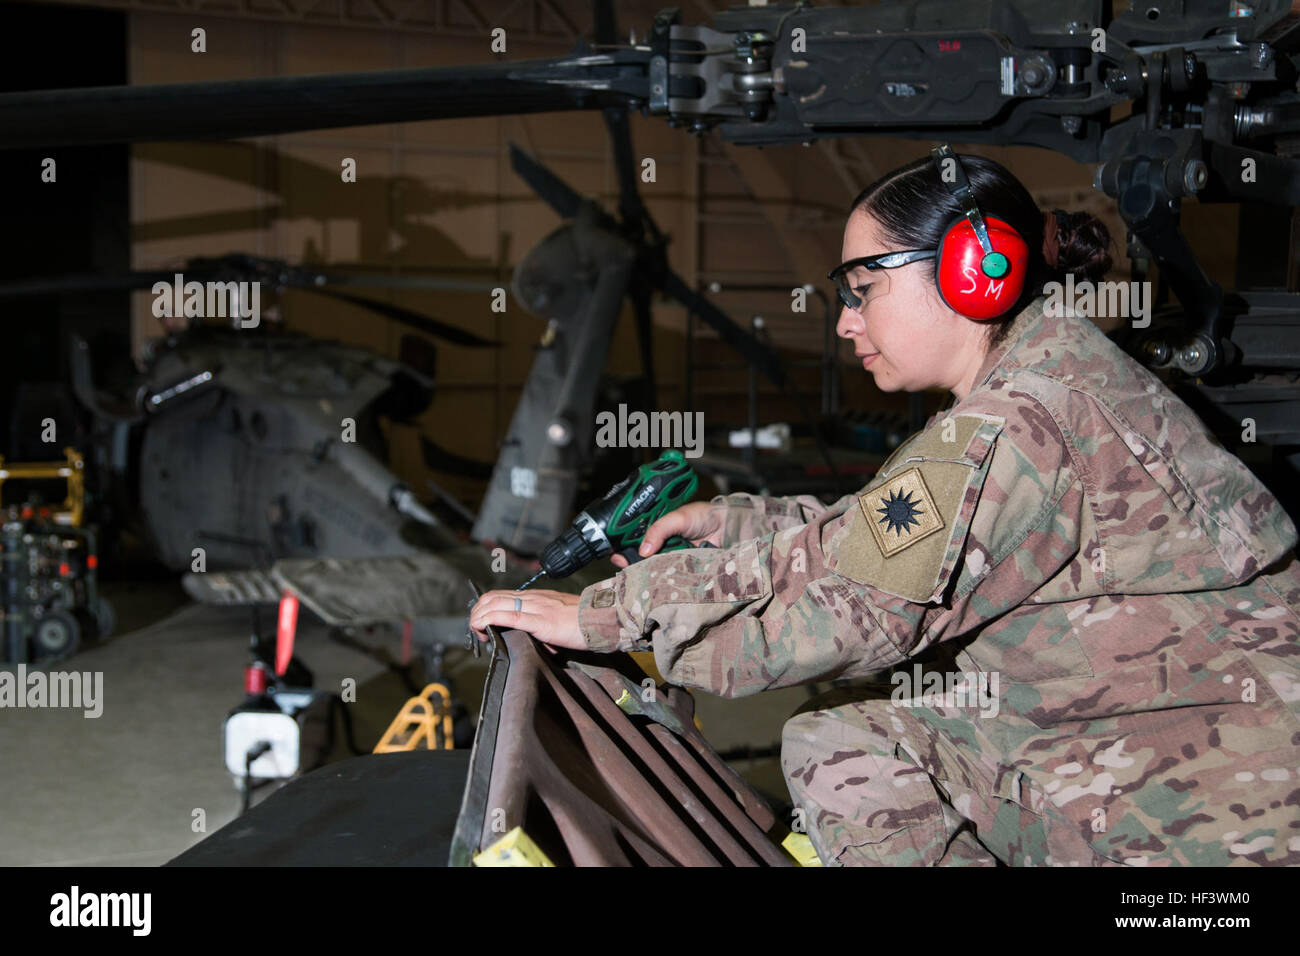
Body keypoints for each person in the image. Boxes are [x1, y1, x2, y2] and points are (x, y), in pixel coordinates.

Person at [470, 146, 1300, 867]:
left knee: (843, 748)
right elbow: (887, 538)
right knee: (869, 725)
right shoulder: (1048, 382)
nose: (843, 322)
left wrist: (607, 618)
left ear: (974, 273)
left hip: (1208, 842)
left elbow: (848, 611)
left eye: (862, 289)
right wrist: (736, 529)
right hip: (1183, 767)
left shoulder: (1016, 424)